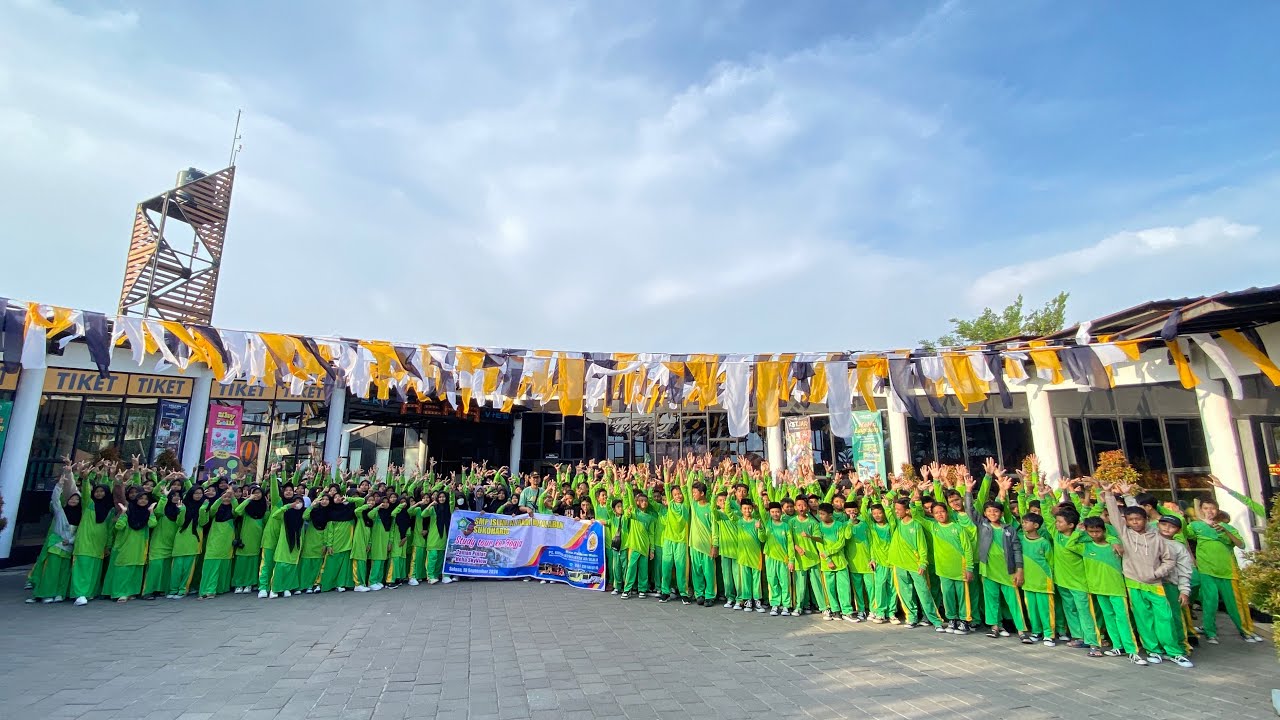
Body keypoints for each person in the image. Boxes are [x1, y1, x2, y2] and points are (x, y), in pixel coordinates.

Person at [1187, 486, 1264, 644]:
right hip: (1207, 570)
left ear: (1217, 510)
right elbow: (1181, 535)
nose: (1209, 511)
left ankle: (1245, 631)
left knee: (1235, 604)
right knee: (1210, 602)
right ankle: (1210, 632)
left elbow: (1241, 545)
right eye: (1206, 508)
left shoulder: (1228, 527)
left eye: (1212, 508)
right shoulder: (1195, 526)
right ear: (1201, 510)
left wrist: (1225, 531)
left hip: (1228, 571)